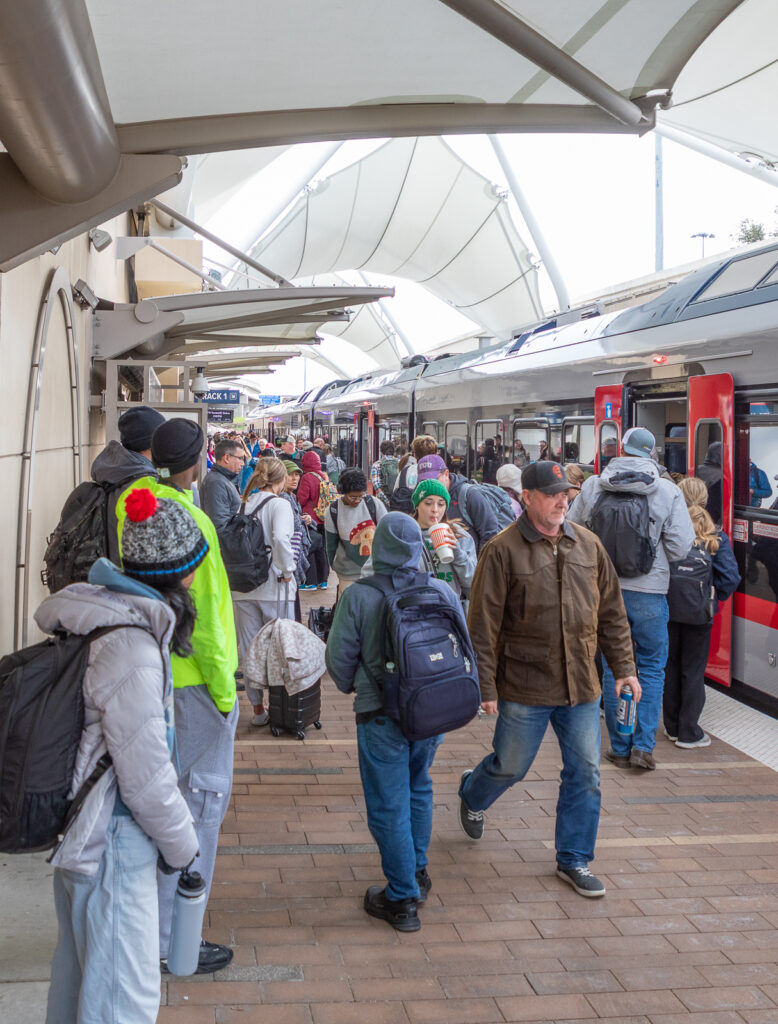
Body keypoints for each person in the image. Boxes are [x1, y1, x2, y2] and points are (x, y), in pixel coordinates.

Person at [43, 489, 204, 1024]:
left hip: (86, 832)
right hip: (111, 842)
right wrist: (184, 846)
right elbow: (146, 777)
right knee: (121, 1002)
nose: (196, 580)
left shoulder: (106, 619)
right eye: (192, 569)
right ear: (174, 573)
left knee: (80, 987)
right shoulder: (132, 648)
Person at [458, 461, 638, 898]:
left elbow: (612, 614)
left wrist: (625, 670)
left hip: (581, 684)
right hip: (524, 684)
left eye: (567, 494)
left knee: (586, 774)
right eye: (553, 493)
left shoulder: (589, 546)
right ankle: (473, 792)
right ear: (527, 497)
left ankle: (574, 858)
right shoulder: (501, 551)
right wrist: (487, 688)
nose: (563, 501)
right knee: (510, 766)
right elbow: (482, 625)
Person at [115, 418, 238, 974]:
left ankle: (151, 928)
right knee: (198, 809)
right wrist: (225, 695)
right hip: (195, 687)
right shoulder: (193, 524)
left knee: (158, 806)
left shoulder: (135, 505)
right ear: (196, 462)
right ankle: (174, 939)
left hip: (150, 673)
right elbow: (209, 621)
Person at [326, 514, 469, 931]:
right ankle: (418, 871)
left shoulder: (359, 596)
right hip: (431, 711)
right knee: (419, 785)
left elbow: (337, 664)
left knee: (388, 802)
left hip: (380, 713)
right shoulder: (441, 589)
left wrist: (361, 686)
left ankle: (402, 896)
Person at [568, 426, 694, 770]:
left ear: (619, 449)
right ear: (652, 453)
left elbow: (571, 529)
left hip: (604, 591)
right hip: (650, 594)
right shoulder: (668, 491)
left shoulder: (594, 485)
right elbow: (681, 546)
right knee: (652, 669)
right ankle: (643, 747)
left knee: (614, 667)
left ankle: (619, 746)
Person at [663, 477, 740, 748]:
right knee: (693, 671)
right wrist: (712, 597)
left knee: (670, 667)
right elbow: (730, 578)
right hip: (699, 614)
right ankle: (689, 732)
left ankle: (671, 727)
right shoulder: (716, 537)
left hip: (668, 610)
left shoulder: (669, 531)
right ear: (705, 500)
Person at [233, 458, 297, 724]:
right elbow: (282, 539)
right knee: (279, 646)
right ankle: (282, 706)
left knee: (249, 649)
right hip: (274, 585)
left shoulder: (243, 502)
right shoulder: (280, 504)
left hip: (243, 586)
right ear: (280, 480)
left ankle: (258, 710)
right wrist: (287, 570)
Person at [89, 405, 166, 563]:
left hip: (108, 572)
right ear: (153, 443)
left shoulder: (116, 470)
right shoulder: (144, 484)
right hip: (131, 580)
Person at [420, 453, 500, 554]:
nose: (430, 486)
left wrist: (477, 565)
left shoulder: (469, 495)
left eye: (434, 480)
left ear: (446, 474)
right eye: (424, 482)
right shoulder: (420, 497)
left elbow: (490, 534)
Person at [411, 478, 475, 603]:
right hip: (417, 611)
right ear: (417, 505)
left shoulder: (460, 536)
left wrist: (457, 553)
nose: (435, 509)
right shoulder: (406, 534)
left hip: (451, 610)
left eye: (441, 504)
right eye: (428, 503)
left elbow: (473, 582)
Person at [324, 467, 386, 594]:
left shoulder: (374, 504)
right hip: (347, 572)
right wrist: (335, 565)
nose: (357, 500)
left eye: (360, 496)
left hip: (375, 570)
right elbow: (330, 545)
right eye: (352, 497)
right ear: (342, 492)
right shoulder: (333, 511)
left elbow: (387, 533)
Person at [280, 459, 312, 622]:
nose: (295, 478)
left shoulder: (291, 497)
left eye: (297, 475)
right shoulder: (283, 498)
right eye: (290, 475)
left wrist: (304, 519)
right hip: (290, 560)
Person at [297, 449, 332, 589]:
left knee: (310, 548)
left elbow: (302, 498)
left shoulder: (307, 477)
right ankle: (323, 581)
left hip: (310, 518)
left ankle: (310, 581)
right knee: (322, 550)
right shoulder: (323, 476)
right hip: (323, 517)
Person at [199, 438, 243, 531]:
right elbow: (219, 526)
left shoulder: (222, 479)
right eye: (240, 458)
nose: (242, 463)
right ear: (226, 458)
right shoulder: (216, 483)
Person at [390, 434, 438, 514]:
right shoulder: (439, 473)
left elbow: (395, 494)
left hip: (408, 517)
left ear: (415, 455)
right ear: (436, 454)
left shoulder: (405, 472)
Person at [371, 440, 400, 506]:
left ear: (381, 451)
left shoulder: (377, 464)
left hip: (383, 503)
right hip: (398, 500)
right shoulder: (400, 463)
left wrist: (386, 501)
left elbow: (376, 485)